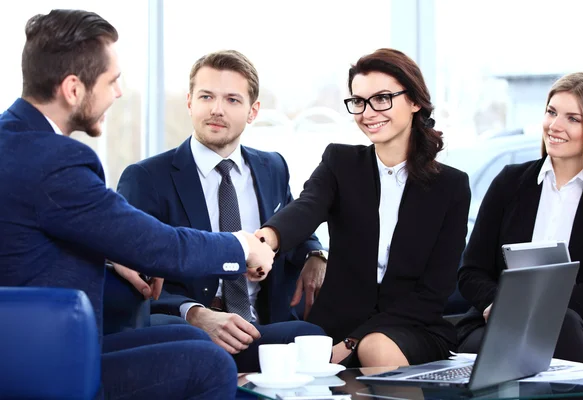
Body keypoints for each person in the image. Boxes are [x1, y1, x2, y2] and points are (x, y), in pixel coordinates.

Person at [0, 9, 275, 399]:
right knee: (208, 364)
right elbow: (162, 245)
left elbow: (31, 231)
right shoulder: (54, 160)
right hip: (39, 363)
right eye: (112, 81)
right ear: (74, 89)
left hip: (27, 347)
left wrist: (113, 256)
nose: (119, 92)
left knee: (192, 342)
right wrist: (243, 246)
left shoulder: (12, 138)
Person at [256, 48, 471, 368]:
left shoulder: (451, 186)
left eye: (382, 98)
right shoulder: (340, 163)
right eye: (359, 101)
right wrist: (264, 240)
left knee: (375, 348)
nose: (368, 112)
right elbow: (306, 208)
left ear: (414, 102)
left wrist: (355, 341)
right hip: (337, 322)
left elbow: (434, 292)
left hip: (412, 326)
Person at [116, 50, 327, 372]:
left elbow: (295, 227)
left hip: (261, 322)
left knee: (310, 338)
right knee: (298, 339)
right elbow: (133, 274)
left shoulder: (273, 167)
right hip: (190, 327)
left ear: (252, 110)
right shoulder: (146, 177)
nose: (216, 109)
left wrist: (316, 255)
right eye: (206, 97)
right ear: (190, 102)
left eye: (231, 99)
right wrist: (195, 313)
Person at [456, 72, 583, 364]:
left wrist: (525, 305)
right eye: (551, 112)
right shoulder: (509, 183)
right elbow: (471, 272)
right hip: (497, 323)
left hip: (579, 329)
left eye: (573, 118)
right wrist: (500, 305)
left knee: (564, 328)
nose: (555, 126)